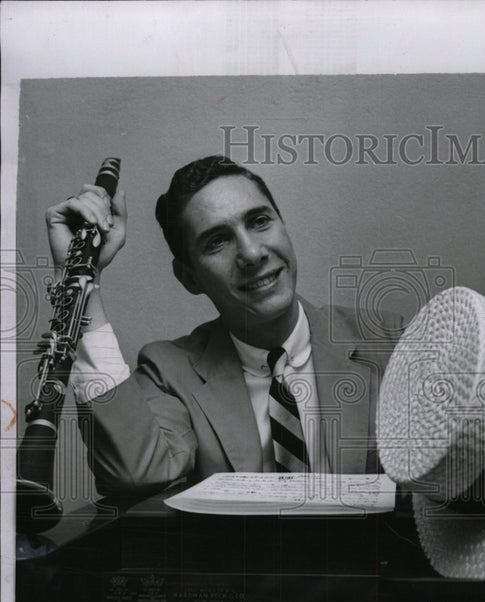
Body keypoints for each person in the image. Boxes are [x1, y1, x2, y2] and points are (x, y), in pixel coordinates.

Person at [45, 156, 399, 496]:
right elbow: (134, 473)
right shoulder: (169, 372)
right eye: (217, 241)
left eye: (260, 221)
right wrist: (79, 277)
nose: (252, 253)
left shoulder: (391, 343)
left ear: (284, 226)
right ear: (189, 277)